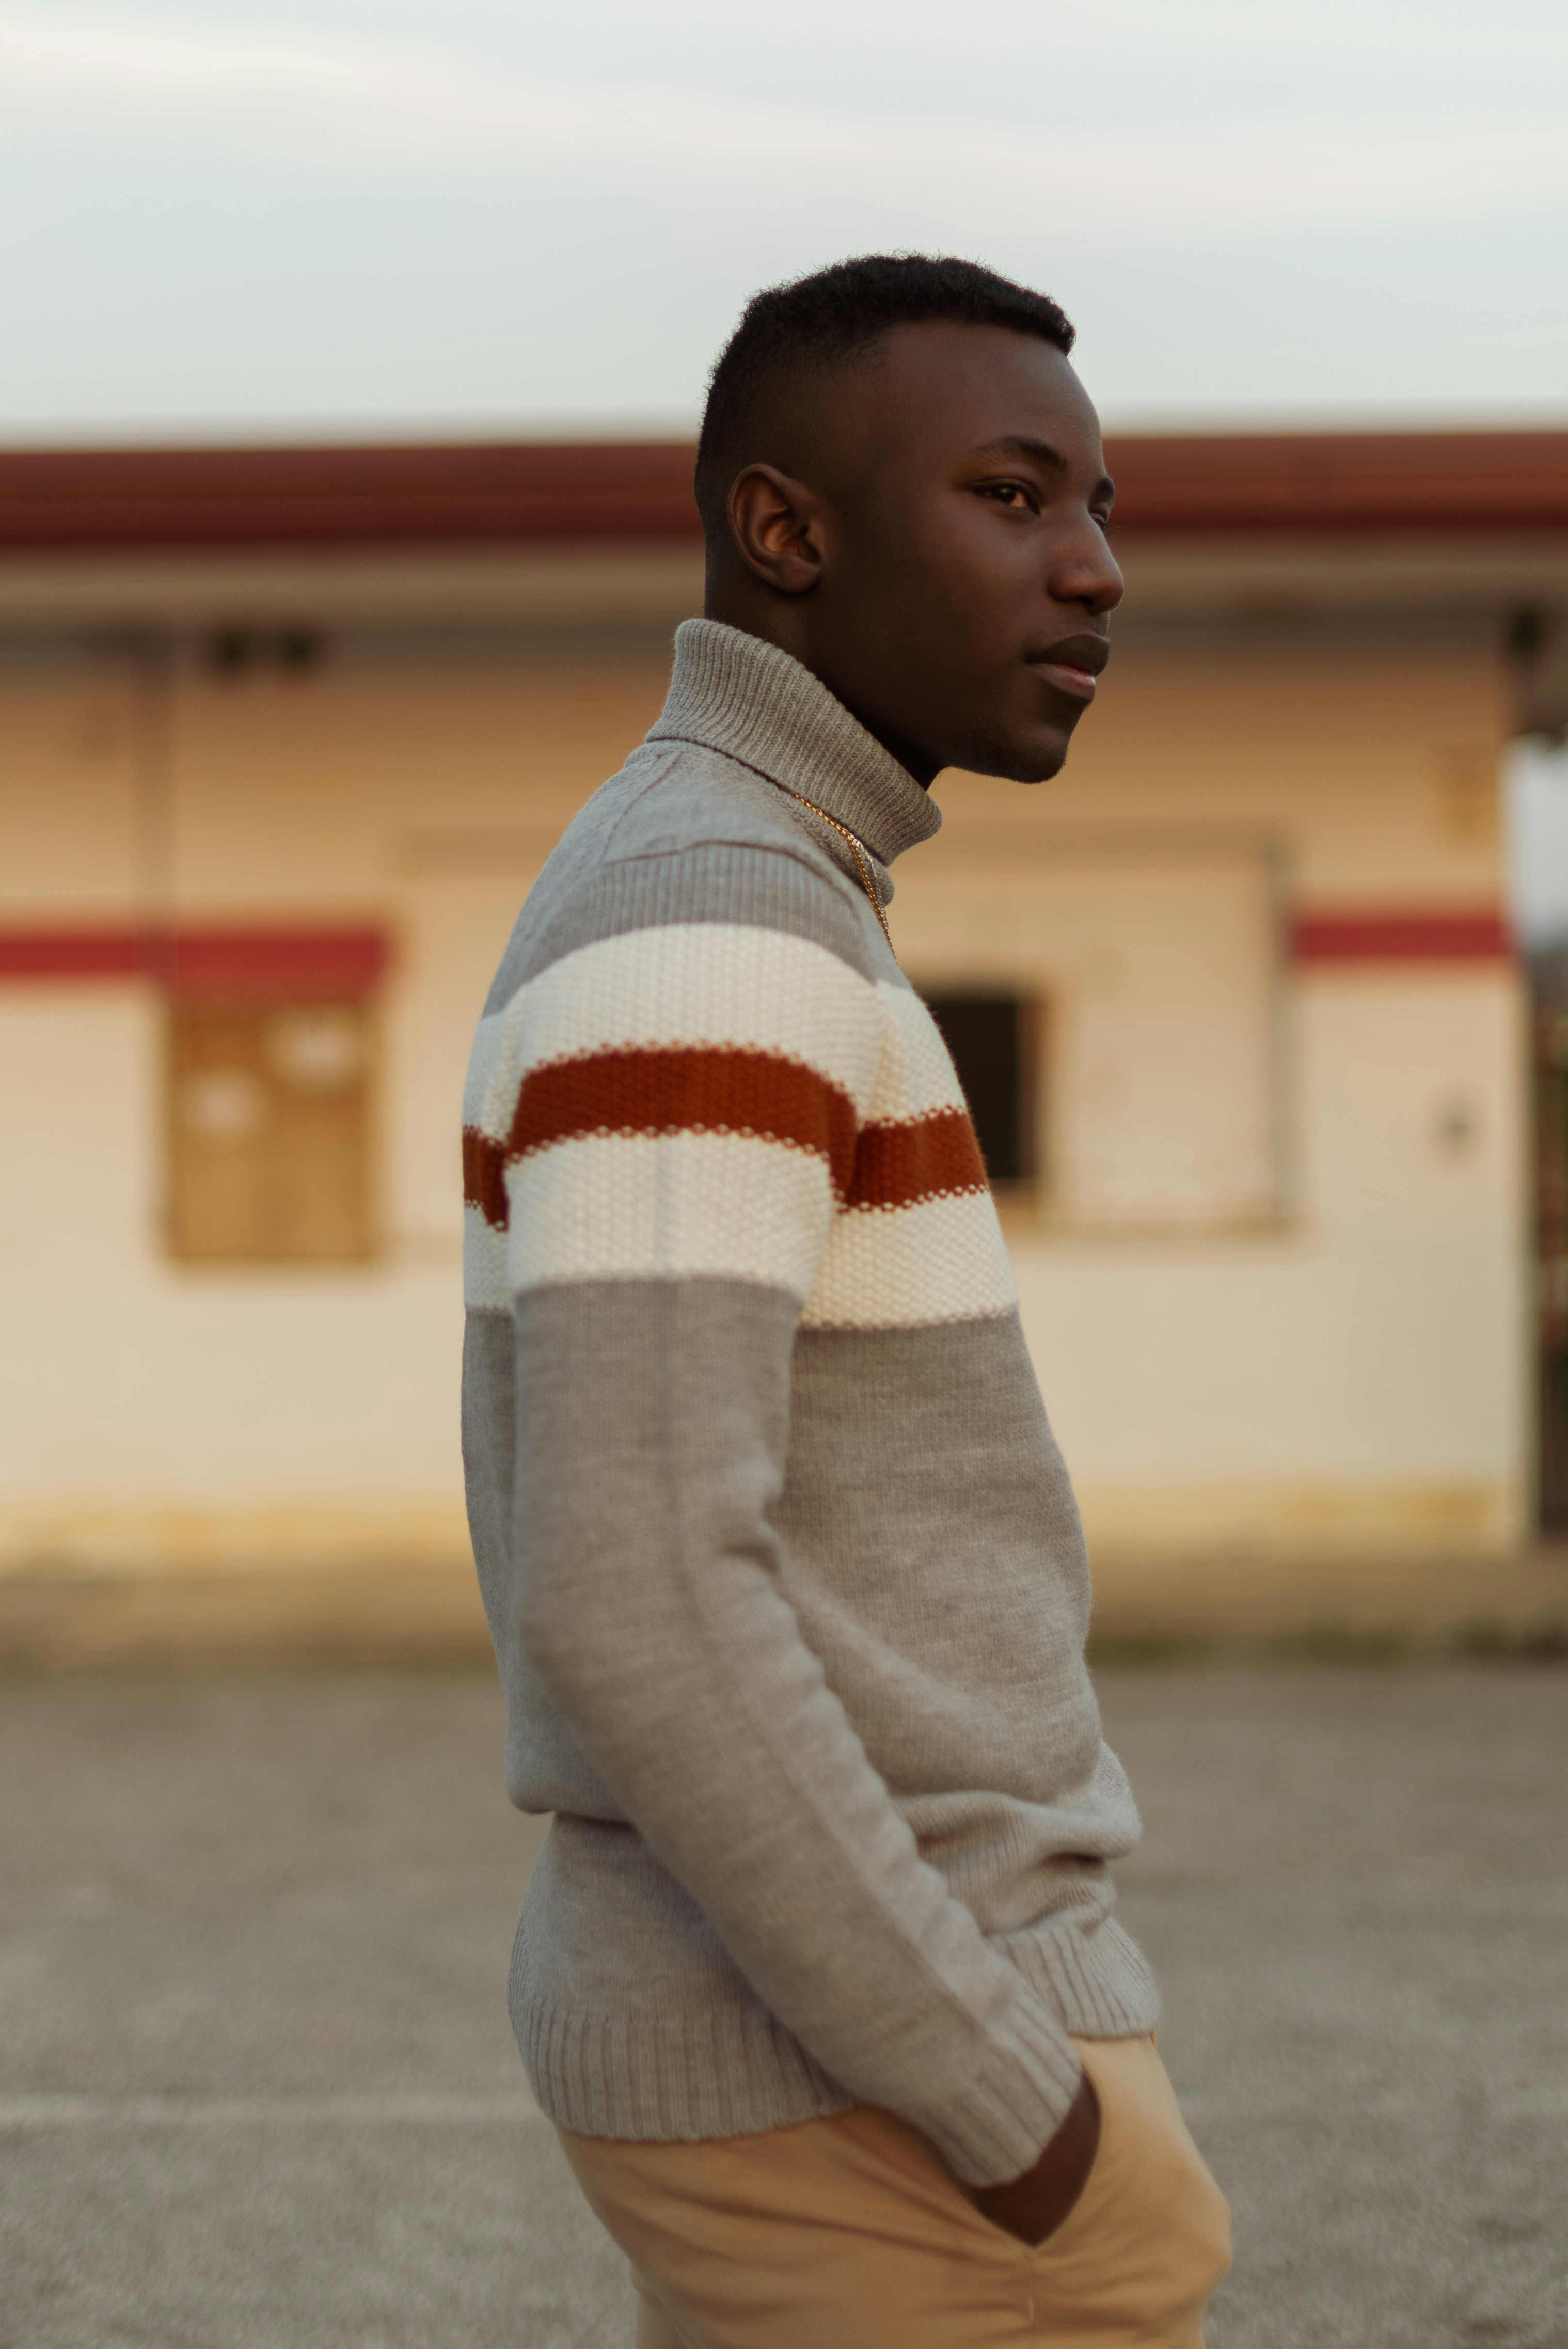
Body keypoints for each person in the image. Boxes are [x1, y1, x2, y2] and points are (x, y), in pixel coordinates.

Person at [461, 254, 1231, 2347]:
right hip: (863, 2098)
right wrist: (1012, 2106)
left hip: (832, 2072)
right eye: (1010, 496)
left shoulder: (743, 886)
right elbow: (634, 1592)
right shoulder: (714, 921)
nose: (1091, 572)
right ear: (785, 532)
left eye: (1099, 506)